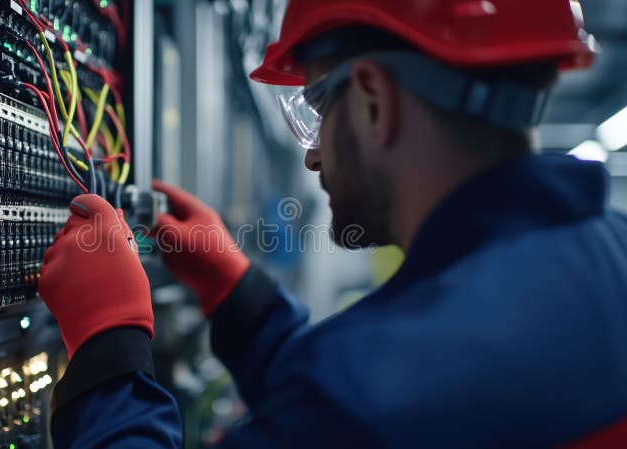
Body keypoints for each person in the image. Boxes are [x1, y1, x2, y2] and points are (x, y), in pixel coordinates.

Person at [37, 0, 627, 447]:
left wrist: (108, 350)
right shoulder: (612, 250)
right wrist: (241, 298)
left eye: (317, 110)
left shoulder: (364, 395)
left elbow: (351, 398)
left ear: (373, 100)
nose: (313, 156)